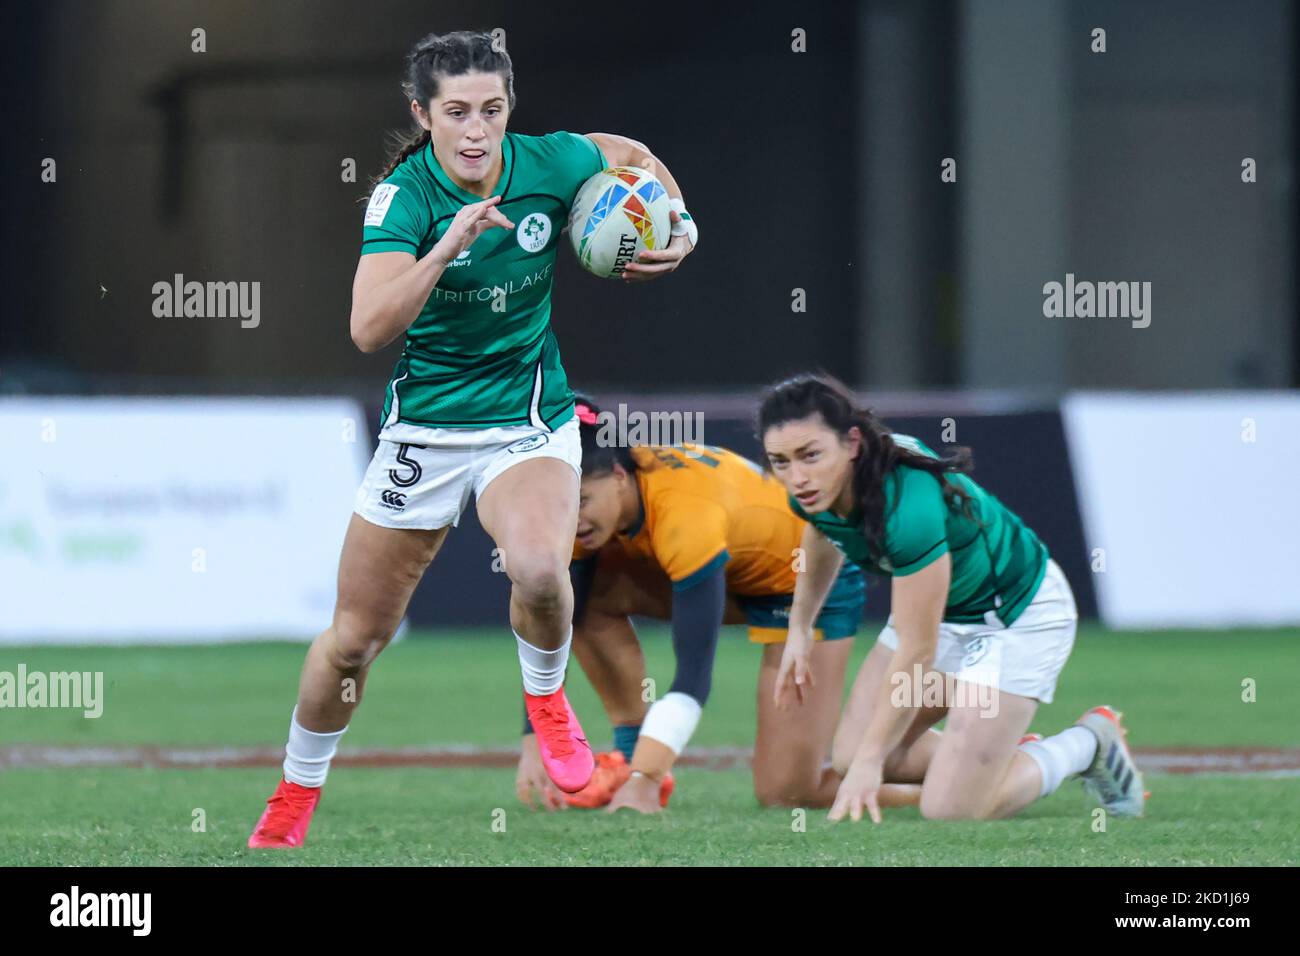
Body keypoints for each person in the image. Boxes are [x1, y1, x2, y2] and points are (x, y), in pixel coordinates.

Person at [248, 30, 698, 847]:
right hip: (423, 430)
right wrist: (447, 246)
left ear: (509, 109)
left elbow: (628, 152)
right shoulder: (404, 199)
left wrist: (677, 223)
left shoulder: (554, 163)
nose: (475, 130)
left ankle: (547, 701)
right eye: (455, 112)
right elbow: (367, 327)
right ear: (423, 115)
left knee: (538, 570)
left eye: (491, 109)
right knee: (353, 644)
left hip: (526, 421)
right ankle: (293, 793)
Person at [758, 373, 1146, 823]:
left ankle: (1086, 743)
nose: (797, 477)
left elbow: (917, 651)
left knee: (948, 809)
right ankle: (988, 756)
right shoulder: (813, 491)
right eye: (780, 461)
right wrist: (800, 628)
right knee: (848, 756)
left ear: (852, 443)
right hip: (943, 614)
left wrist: (871, 765)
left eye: (810, 455)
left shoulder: (906, 507)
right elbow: (823, 535)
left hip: (1016, 617)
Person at [514, 398, 927, 814]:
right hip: (733, 570)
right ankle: (630, 751)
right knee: (567, 597)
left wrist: (647, 781)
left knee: (788, 792)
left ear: (620, 477)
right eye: (562, 507)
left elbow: (694, 676)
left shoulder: (684, 513)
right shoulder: (600, 486)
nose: (572, 519)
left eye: (581, 501)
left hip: (804, 587)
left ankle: (942, 784)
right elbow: (552, 621)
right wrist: (536, 736)